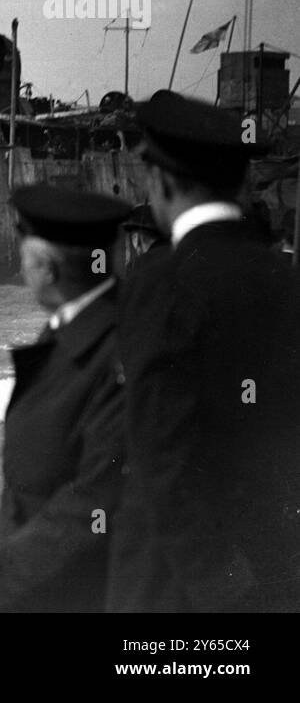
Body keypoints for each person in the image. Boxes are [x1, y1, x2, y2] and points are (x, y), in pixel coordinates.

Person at [107, 89, 300, 612]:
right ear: (240, 184)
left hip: (186, 593)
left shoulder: (160, 280)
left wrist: (224, 584)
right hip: (279, 571)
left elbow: (158, 455)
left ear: (163, 182)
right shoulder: (284, 277)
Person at [0, 183, 130, 612]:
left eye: (23, 251)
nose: (20, 264)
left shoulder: (118, 349)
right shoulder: (70, 329)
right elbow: (40, 476)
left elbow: (95, 500)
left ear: (45, 268)